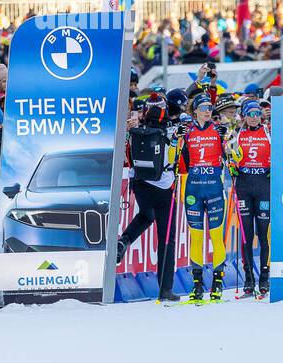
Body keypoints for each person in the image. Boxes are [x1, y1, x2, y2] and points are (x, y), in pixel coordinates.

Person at [116, 93, 181, 302]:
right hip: (163, 186)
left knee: (146, 214)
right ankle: (165, 289)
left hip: (140, 184)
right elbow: (179, 158)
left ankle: (125, 239)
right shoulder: (172, 130)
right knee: (166, 238)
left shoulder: (136, 129)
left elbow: (128, 154)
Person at [177, 94, 228, 301]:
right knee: (196, 237)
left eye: (210, 107)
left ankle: (217, 283)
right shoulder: (187, 131)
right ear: (195, 110)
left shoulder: (218, 130)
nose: (208, 111)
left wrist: (227, 139)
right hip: (194, 190)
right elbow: (177, 160)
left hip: (214, 189)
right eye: (204, 108)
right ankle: (197, 284)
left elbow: (232, 155)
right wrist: (176, 140)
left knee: (216, 236)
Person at [232, 99, 272, 297]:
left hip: (263, 184)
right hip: (244, 184)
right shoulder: (237, 134)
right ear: (244, 116)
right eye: (251, 114)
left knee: (263, 233)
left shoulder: (269, 133)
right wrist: (231, 165)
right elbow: (230, 156)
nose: (254, 117)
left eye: (257, 114)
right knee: (247, 235)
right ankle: (249, 277)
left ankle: (264, 277)